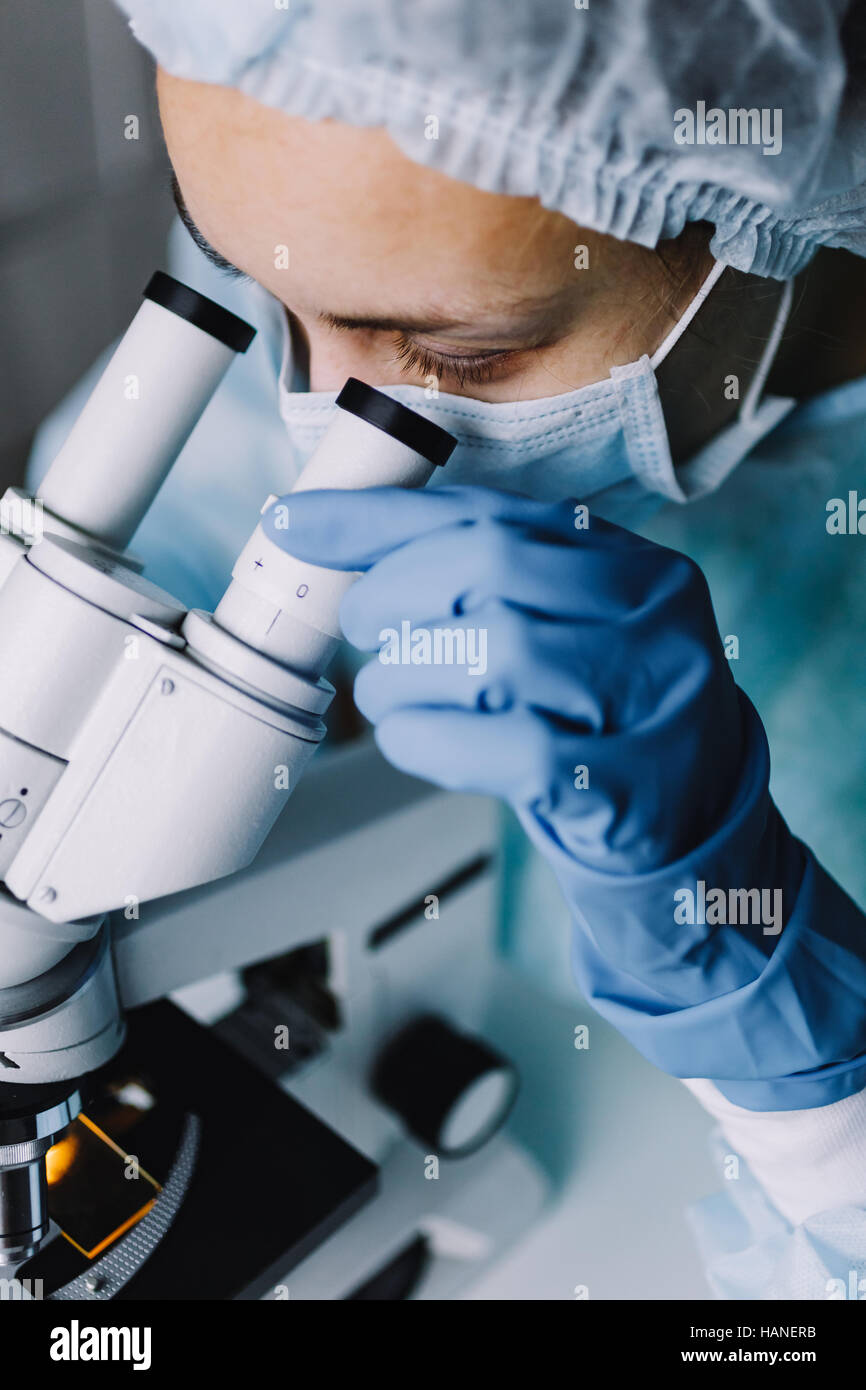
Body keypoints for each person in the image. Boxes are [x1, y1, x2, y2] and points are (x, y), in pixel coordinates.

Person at [28, 0, 866, 1299]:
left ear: (767, 208)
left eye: (458, 353)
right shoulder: (284, 360)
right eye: (258, 281)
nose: (316, 416)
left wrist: (786, 1026)